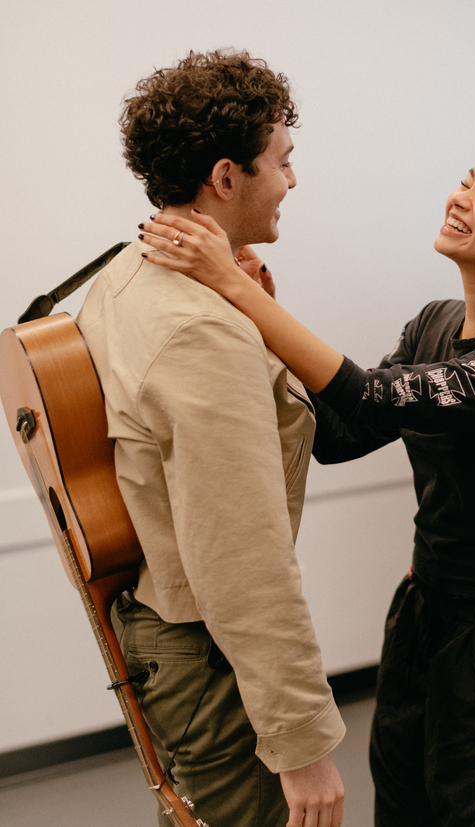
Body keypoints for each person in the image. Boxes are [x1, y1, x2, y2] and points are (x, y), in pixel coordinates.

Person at [138, 144, 475, 826]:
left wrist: (234, 288)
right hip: (424, 616)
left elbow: (363, 396)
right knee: (405, 805)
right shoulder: (435, 322)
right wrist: (261, 310)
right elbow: (340, 433)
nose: (460, 197)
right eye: (464, 182)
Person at [76, 49, 346, 827]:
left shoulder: (125, 275)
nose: (292, 180)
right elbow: (241, 551)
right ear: (226, 178)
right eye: (282, 162)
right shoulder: (200, 330)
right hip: (206, 651)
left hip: (164, 629)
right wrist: (300, 743)